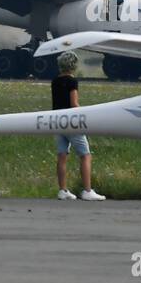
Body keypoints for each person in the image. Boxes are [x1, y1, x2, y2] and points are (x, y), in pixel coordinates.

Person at [51, 52, 104, 201]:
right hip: (71, 122)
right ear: (73, 65)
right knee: (85, 155)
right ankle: (87, 190)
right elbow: (74, 104)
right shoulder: (72, 81)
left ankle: (62, 190)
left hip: (57, 120)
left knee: (62, 156)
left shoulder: (55, 81)